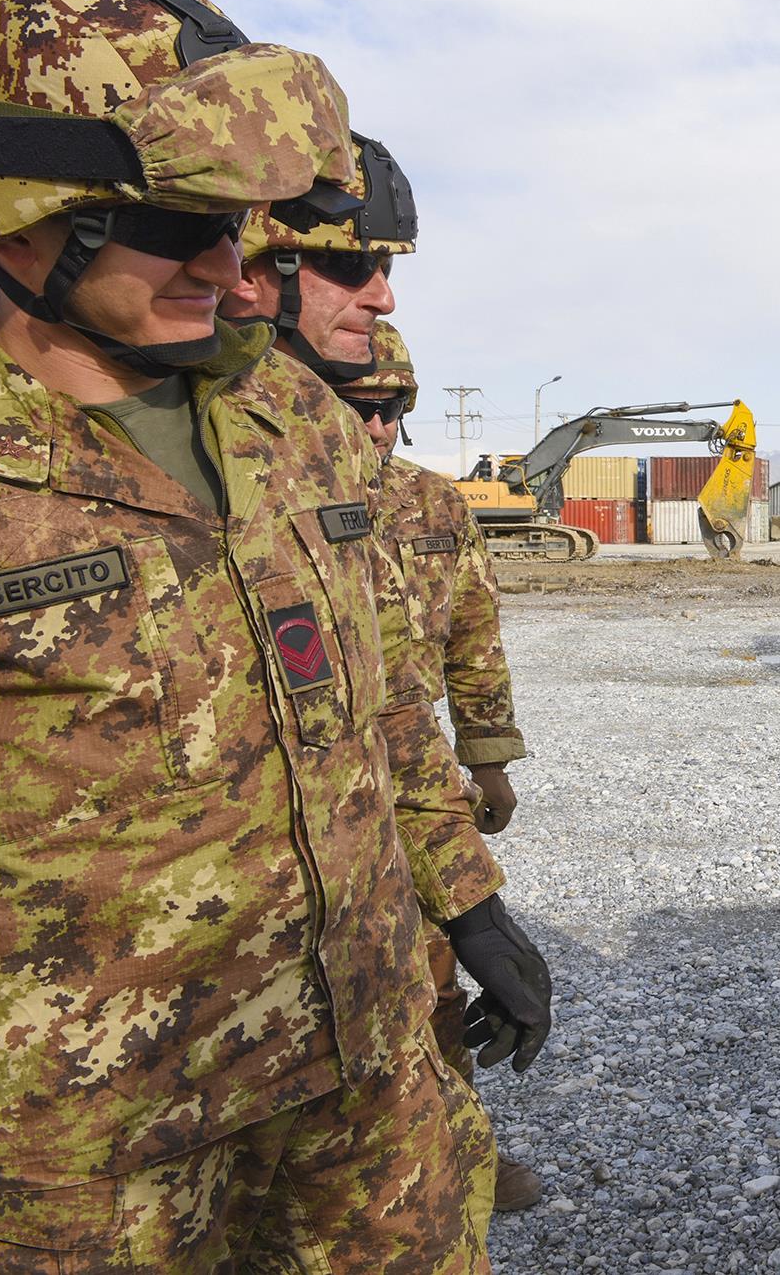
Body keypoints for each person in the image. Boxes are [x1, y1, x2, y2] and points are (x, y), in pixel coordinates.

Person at [0, 0, 493, 1268]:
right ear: (6, 206)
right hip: (84, 1160)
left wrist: (468, 898)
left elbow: (378, 691)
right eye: (180, 222)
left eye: (240, 221)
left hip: (359, 1077)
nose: (230, 262)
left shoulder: (284, 411)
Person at [219, 131, 555, 1190]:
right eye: (351, 266)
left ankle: (462, 1143)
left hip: (366, 876)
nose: (381, 299)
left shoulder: (369, 485)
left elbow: (423, 676)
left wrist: (474, 891)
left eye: (386, 411)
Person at [336, 319, 543, 1210]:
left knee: (434, 971)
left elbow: (474, 636)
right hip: (317, 772)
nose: (375, 427)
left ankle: (460, 1155)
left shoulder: (434, 506)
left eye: (391, 411)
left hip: (415, 769)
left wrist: (488, 758)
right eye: (358, 406)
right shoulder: (274, 503)